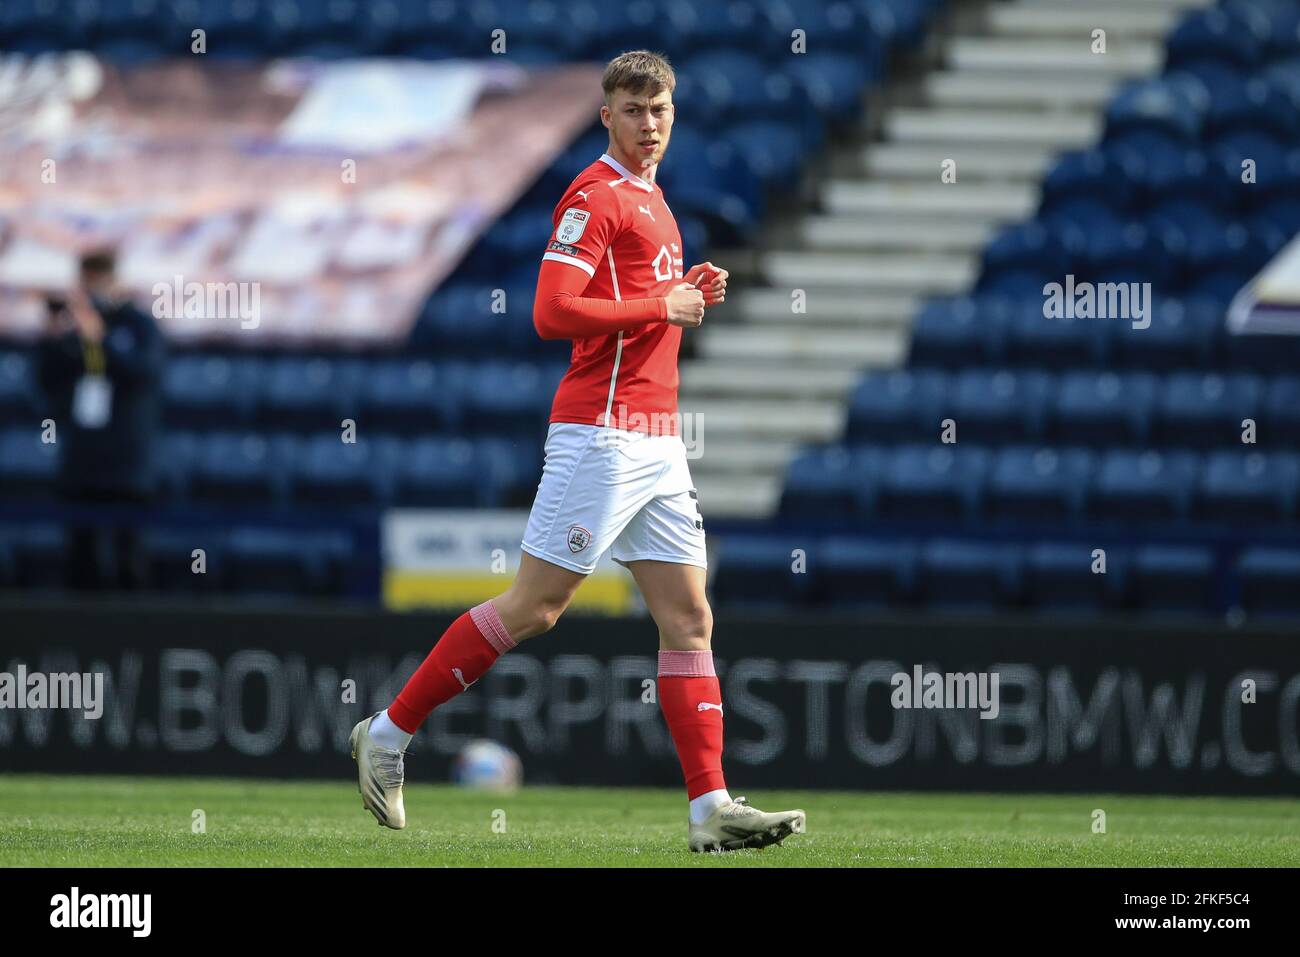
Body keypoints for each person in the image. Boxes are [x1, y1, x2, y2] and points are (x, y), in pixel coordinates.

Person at [350, 50, 805, 852]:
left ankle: (710, 810)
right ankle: (388, 732)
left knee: (690, 618)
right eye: (634, 110)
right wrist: (659, 302)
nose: (650, 123)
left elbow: (638, 307)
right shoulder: (593, 195)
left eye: (660, 109)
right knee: (537, 606)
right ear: (607, 115)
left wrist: (680, 291)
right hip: (601, 431)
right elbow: (552, 312)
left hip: (659, 439)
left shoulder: (656, 200)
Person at [37, 249, 165, 591]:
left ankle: (133, 639)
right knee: (80, 555)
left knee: (129, 555)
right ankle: (79, 637)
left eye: (98, 282)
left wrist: (101, 338)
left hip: (127, 461)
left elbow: (144, 373)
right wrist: (52, 338)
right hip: (82, 459)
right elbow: (46, 382)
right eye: (86, 283)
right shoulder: (73, 328)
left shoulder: (139, 325)